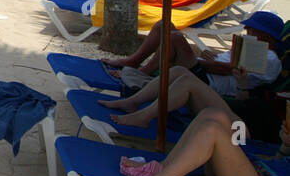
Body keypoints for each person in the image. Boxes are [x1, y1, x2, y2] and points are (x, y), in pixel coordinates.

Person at [99, 12, 285, 125]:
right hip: (205, 70)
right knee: (164, 25)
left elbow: (228, 71)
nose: (248, 33)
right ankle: (133, 64)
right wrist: (207, 57)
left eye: (253, 31)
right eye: (249, 30)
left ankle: (142, 73)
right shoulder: (249, 47)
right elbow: (225, 64)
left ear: (267, 37)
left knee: (176, 39)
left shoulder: (270, 59)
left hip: (209, 82)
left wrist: (196, 60)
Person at [119, 106, 290, 176]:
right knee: (213, 113)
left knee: (212, 130)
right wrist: (286, 145)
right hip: (259, 172)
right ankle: (163, 169)